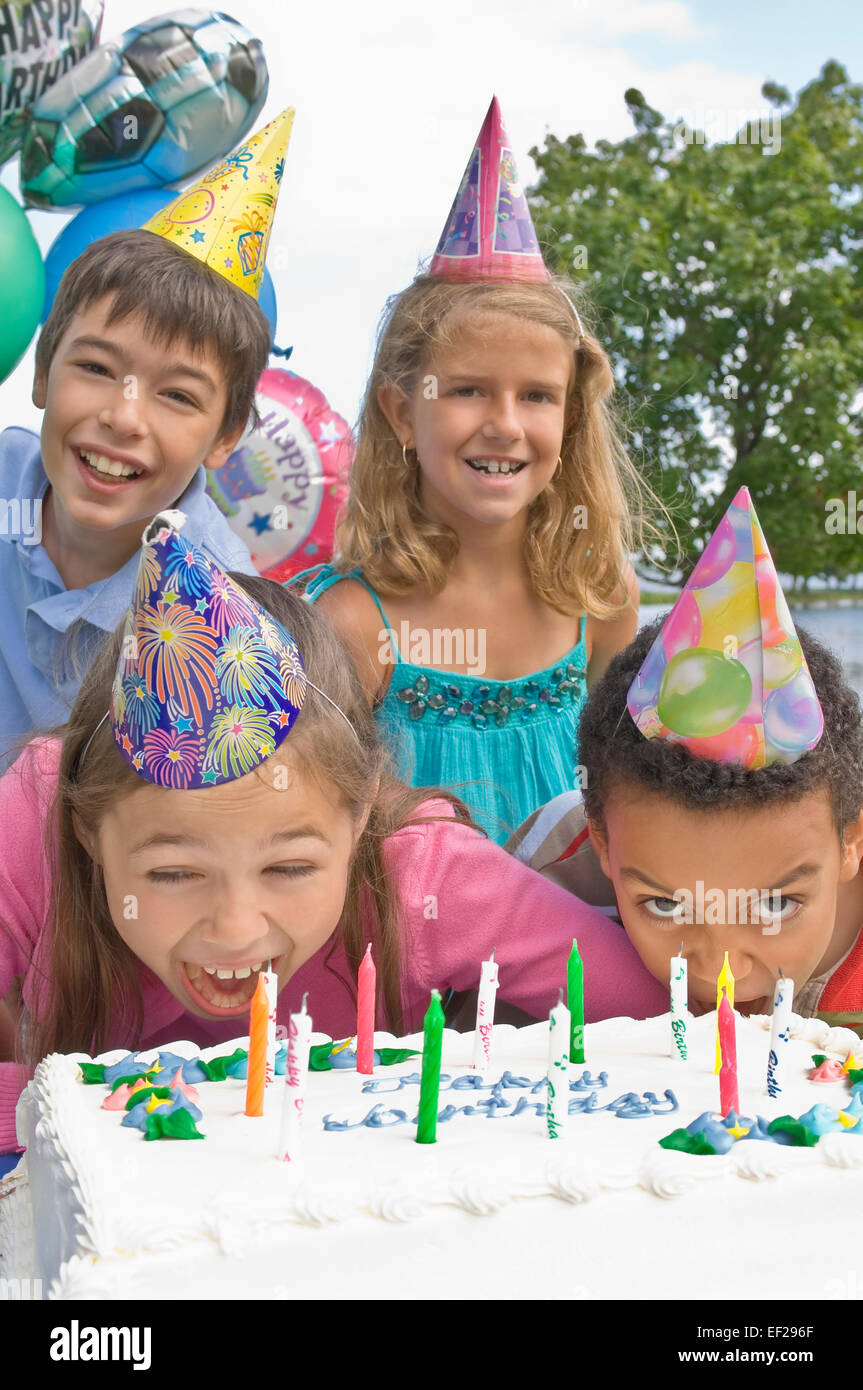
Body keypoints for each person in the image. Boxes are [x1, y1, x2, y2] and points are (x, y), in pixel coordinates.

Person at [0, 515, 667, 1165]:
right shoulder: (39, 818)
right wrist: (60, 1111)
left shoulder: (419, 875)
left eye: (288, 868)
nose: (236, 929)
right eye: (173, 873)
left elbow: (669, 1022)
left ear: (359, 819)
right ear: (89, 832)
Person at [295, 99, 661, 844]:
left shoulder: (599, 602)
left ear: (570, 419)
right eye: (466, 390)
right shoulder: (352, 623)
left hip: (572, 925)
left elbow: (630, 808)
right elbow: (314, 834)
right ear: (402, 413)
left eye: (537, 397)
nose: (505, 424)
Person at [508, 488, 863, 1034]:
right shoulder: (550, 879)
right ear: (601, 841)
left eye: (775, 905)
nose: (723, 973)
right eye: (666, 906)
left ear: (851, 841)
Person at [0, 107, 295, 761]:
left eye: (177, 395)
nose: (125, 416)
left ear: (225, 436)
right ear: (43, 372)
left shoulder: (223, 621)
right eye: (96, 368)